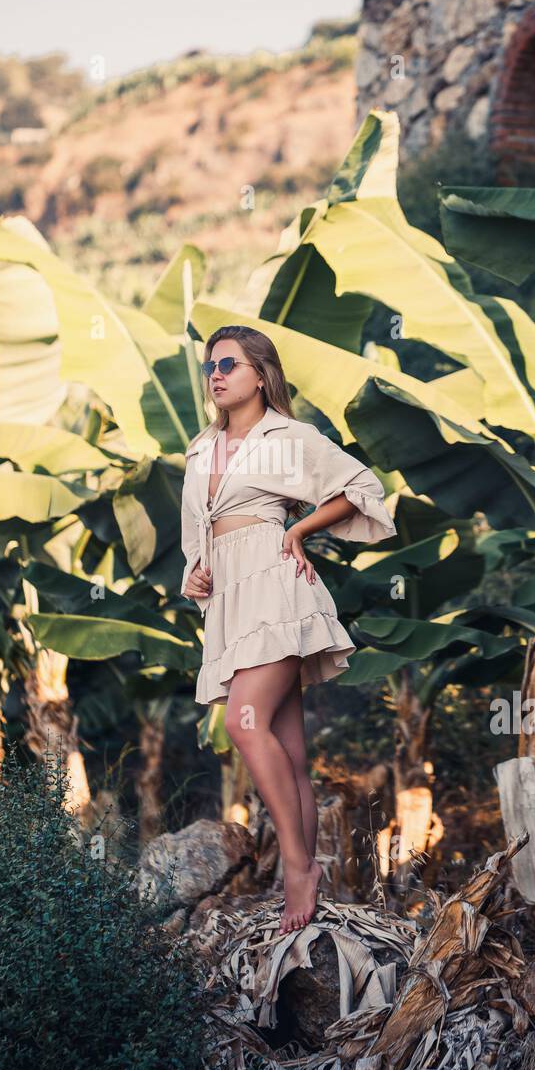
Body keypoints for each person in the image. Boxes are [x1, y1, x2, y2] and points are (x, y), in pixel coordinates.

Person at [180, 325, 397, 935]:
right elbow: (193, 542)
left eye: (228, 364)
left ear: (260, 373)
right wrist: (193, 577)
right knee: (290, 752)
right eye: (209, 367)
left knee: (244, 723)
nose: (216, 374)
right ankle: (307, 872)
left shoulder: (288, 437)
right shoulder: (199, 450)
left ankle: (300, 869)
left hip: (276, 584)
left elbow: (361, 490)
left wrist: (299, 531)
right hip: (229, 598)